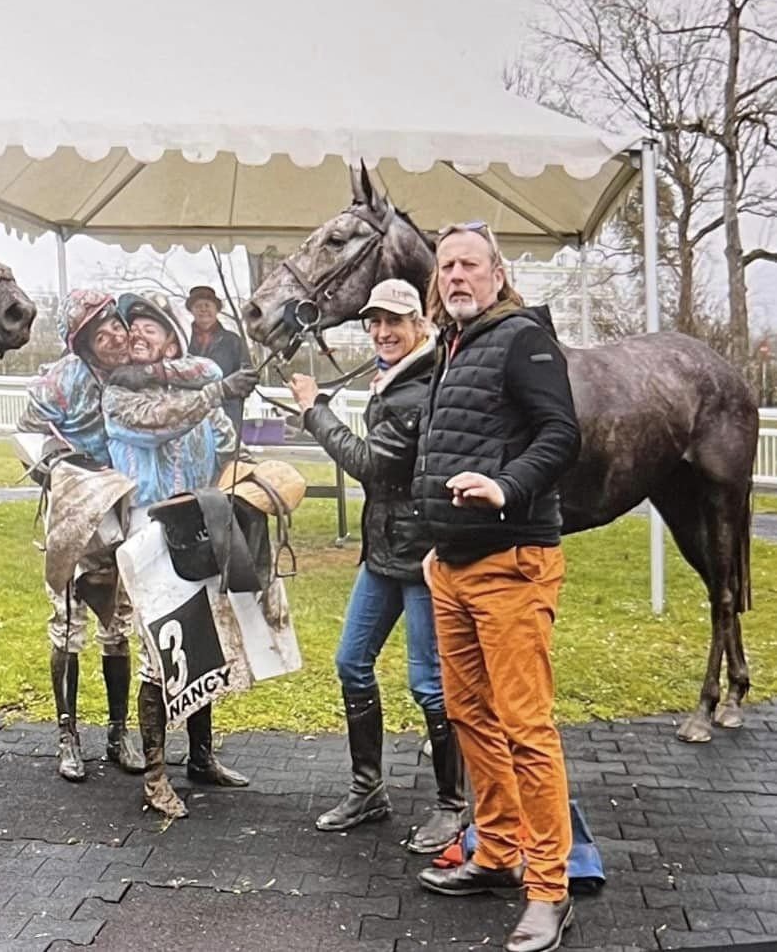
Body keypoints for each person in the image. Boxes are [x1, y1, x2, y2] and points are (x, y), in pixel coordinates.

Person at [412, 223, 581, 952]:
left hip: (512, 563)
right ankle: (498, 851)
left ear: (497, 272)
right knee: (469, 715)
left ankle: (549, 890)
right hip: (453, 565)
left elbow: (561, 433)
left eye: (468, 264)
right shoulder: (455, 344)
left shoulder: (521, 338)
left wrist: (507, 488)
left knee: (525, 727)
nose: (455, 275)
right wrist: (435, 552)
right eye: (446, 264)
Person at [289, 278, 467, 854]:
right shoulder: (397, 380)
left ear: (419, 325)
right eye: (374, 323)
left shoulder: (418, 388)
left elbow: (373, 465)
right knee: (351, 663)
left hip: (418, 557)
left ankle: (453, 804)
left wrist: (315, 410)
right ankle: (368, 788)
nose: (383, 332)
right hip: (386, 552)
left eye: (394, 322)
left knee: (429, 684)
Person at [103, 293, 258, 819]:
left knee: (203, 646)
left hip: (199, 526)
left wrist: (244, 473)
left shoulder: (196, 386)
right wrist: (217, 390)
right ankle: (153, 775)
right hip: (148, 534)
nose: (138, 334)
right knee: (159, 657)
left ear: (172, 340)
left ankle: (201, 757)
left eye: (150, 326)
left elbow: (224, 440)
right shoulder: (120, 393)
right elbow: (160, 420)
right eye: (132, 329)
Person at [19, 290, 145, 782]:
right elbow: (28, 432)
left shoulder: (141, 371)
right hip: (75, 510)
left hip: (126, 508)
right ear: (84, 343)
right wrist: (60, 467)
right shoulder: (61, 381)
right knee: (68, 623)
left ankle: (118, 732)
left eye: (116, 325)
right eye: (101, 332)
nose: (114, 336)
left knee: (119, 623)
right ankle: (68, 734)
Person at [186, 285, 251, 435]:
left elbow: (247, 375)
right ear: (191, 310)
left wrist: (230, 395)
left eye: (207, 305)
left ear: (217, 309)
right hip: (189, 414)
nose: (203, 310)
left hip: (227, 413)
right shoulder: (181, 340)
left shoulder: (233, 341)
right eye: (198, 306)